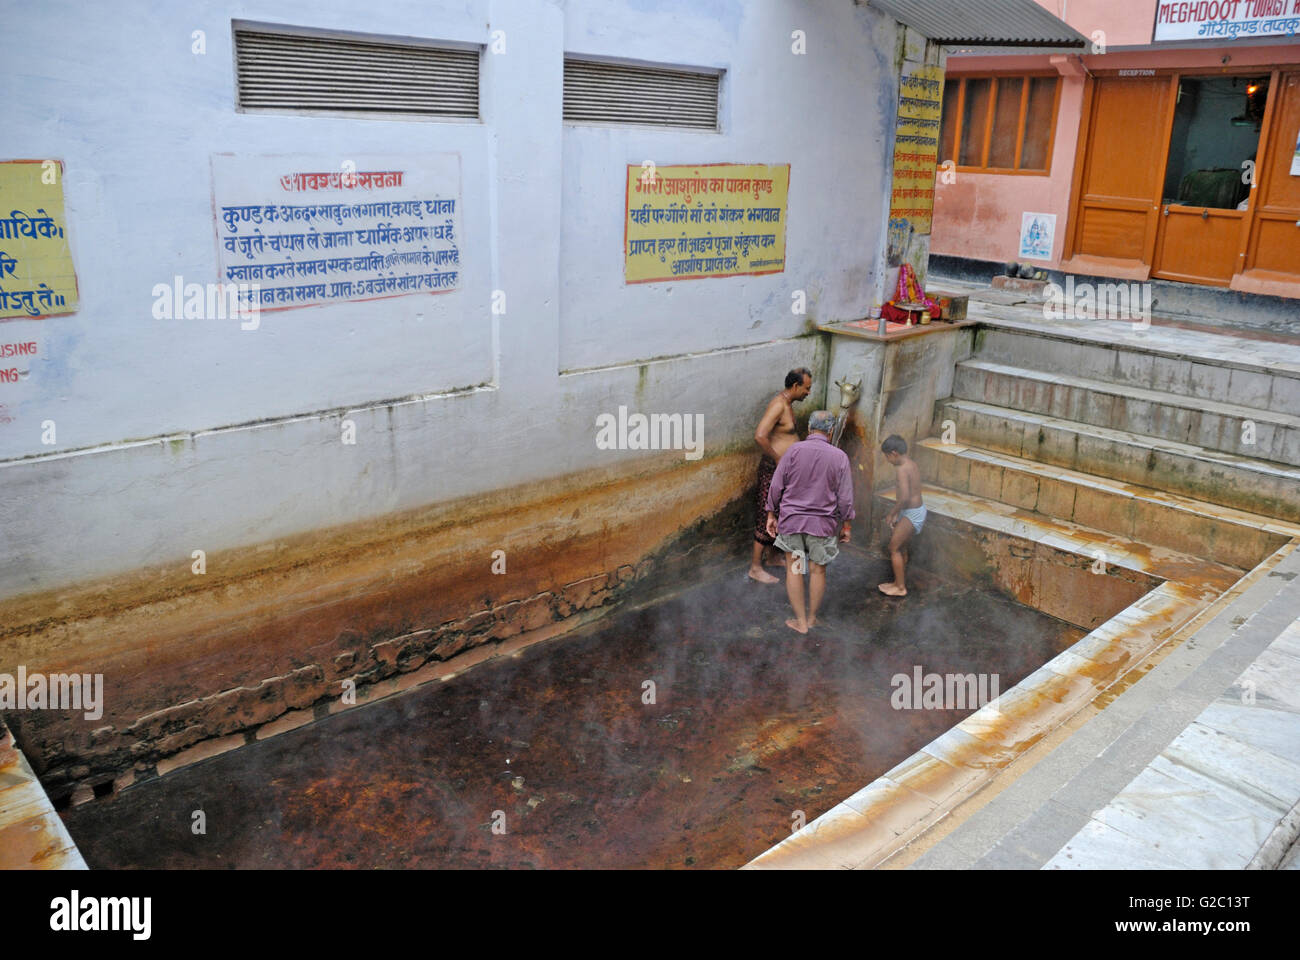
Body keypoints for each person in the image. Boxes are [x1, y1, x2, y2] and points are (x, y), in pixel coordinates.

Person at [764, 410, 854, 634]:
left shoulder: (793, 451)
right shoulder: (839, 457)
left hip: (792, 521)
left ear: (808, 429)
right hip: (822, 525)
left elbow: (776, 486)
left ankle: (800, 622)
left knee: (795, 569)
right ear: (831, 431)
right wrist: (846, 524)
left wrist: (770, 514)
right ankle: (812, 619)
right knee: (817, 571)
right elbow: (845, 497)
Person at [748, 367, 813, 584]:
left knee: (781, 514)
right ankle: (755, 568)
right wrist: (778, 459)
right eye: (806, 388)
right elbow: (760, 436)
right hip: (773, 471)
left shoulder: (788, 404)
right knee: (766, 515)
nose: (808, 392)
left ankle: (773, 556)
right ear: (795, 386)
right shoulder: (778, 405)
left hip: (786, 472)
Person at [879, 434, 924, 597]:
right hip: (914, 510)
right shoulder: (911, 463)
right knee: (902, 545)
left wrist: (892, 513)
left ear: (894, 453)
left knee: (894, 547)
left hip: (911, 512)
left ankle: (900, 588)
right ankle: (898, 581)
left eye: (887, 456)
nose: (887, 460)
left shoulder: (902, 469)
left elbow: (904, 497)